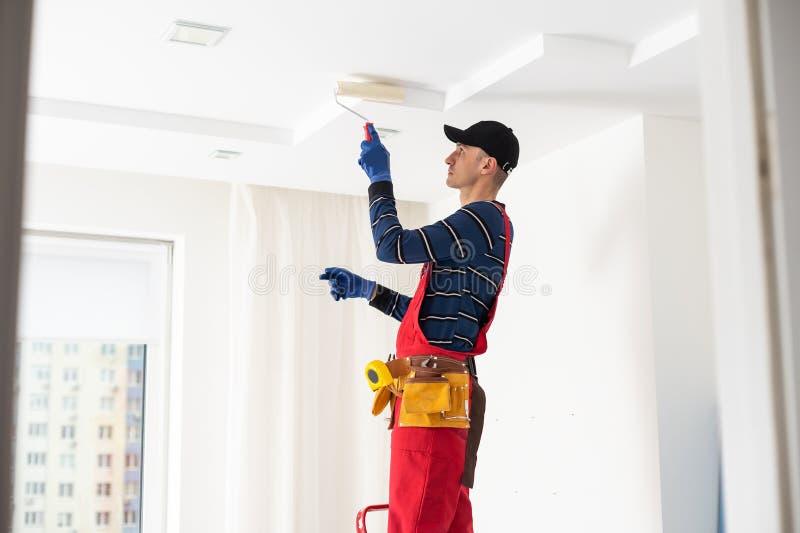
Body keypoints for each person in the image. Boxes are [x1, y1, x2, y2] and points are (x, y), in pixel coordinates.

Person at [320, 120, 519, 533]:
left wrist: (380, 178)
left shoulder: (479, 219)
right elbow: (435, 318)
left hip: (432, 402)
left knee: (416, 522)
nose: (449, 157)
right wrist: (368, 291)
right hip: (436, 400)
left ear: (487, 165)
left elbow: (390, 244)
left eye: (461, 149)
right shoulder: (487, 226)